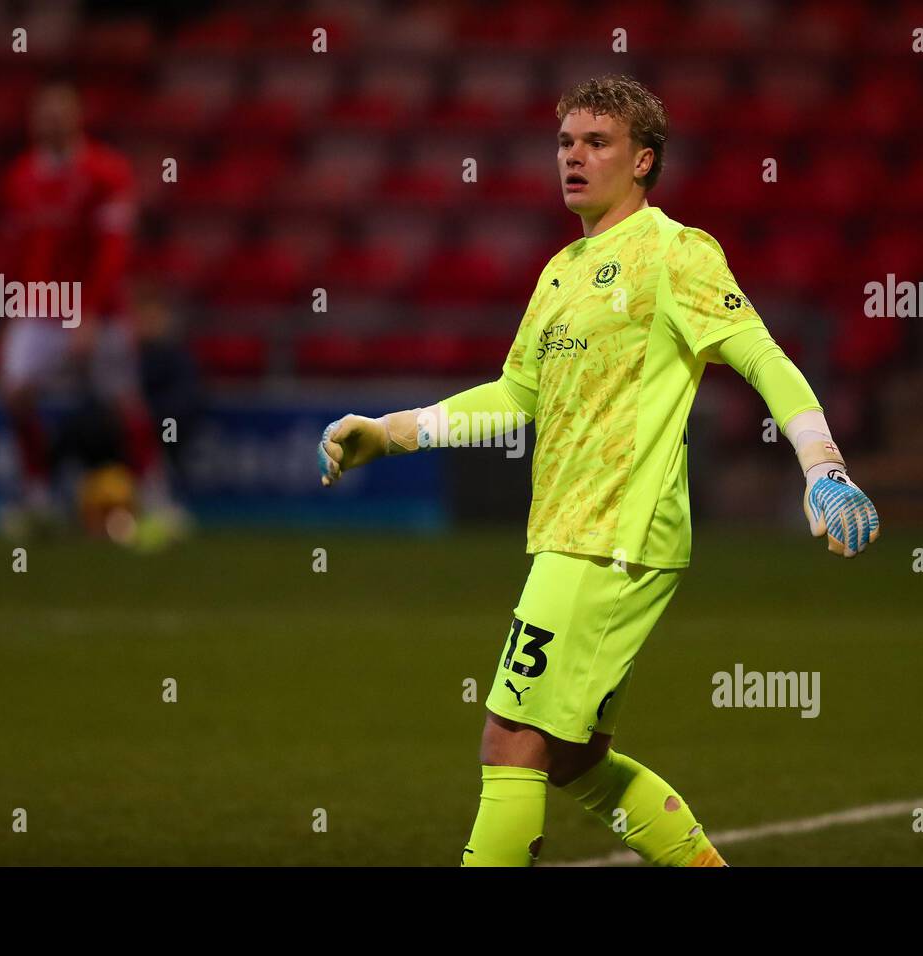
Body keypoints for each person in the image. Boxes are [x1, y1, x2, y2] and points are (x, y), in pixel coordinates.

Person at [316, 75, 880, 867]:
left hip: (612, 538)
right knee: (573, 756)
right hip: (572, 534)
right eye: (565, 142)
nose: (573, 158)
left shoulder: (676, 253)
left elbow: (761, 355)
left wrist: (821, 462)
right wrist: (390, 432)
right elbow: (516, 396)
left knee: (510, 740)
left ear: (644, 161)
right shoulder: (562, 271)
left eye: (597, 143)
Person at [0, 82, 179, 541]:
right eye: (44, 114)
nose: (51, 122)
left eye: (60, 113)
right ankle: (38, 499)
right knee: (16, 392)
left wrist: (91, 315)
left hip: (99, 307)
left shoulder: (106, 172)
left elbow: (113, 251)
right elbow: (21, 251)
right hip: (41, 307)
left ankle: (158, 501)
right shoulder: (21, 175)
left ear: (78, 117)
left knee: (123, 401)